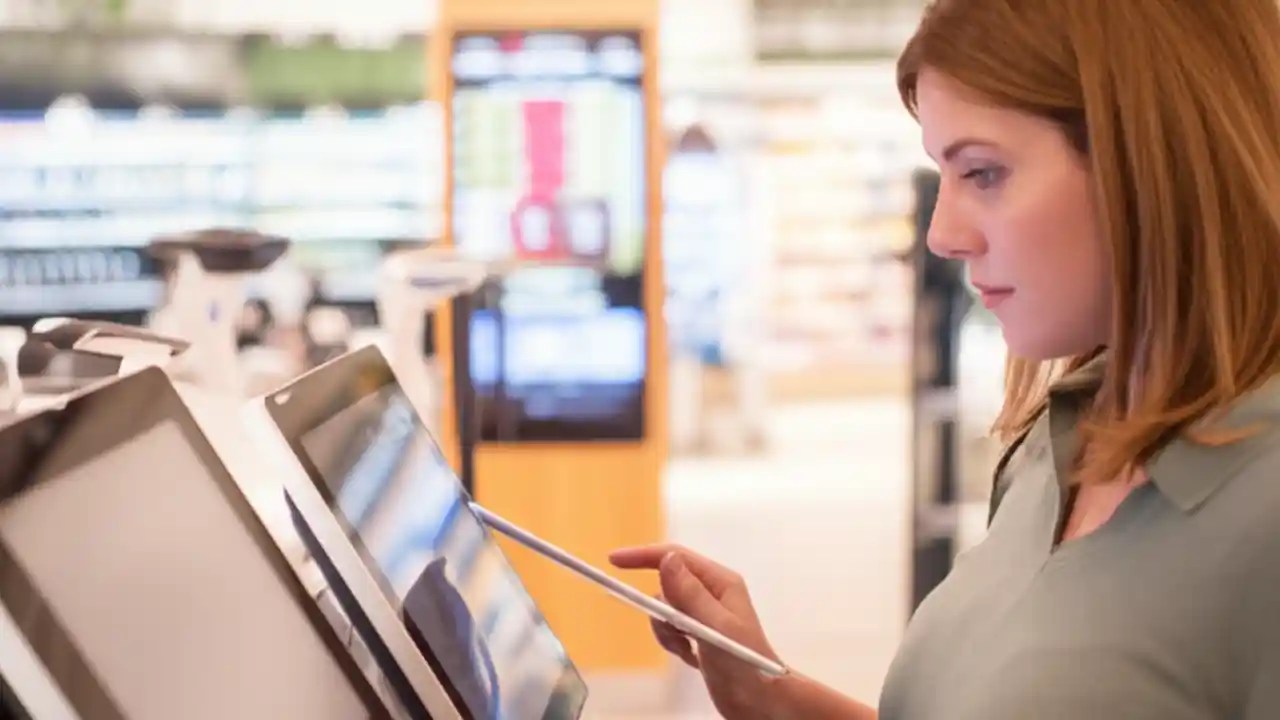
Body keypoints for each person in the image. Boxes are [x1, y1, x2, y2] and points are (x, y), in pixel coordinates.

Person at [610, 0, 1280, 717]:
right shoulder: (1062, 441)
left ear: (1156, 163)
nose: (943, 234)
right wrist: (772, 695)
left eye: (983, 173)